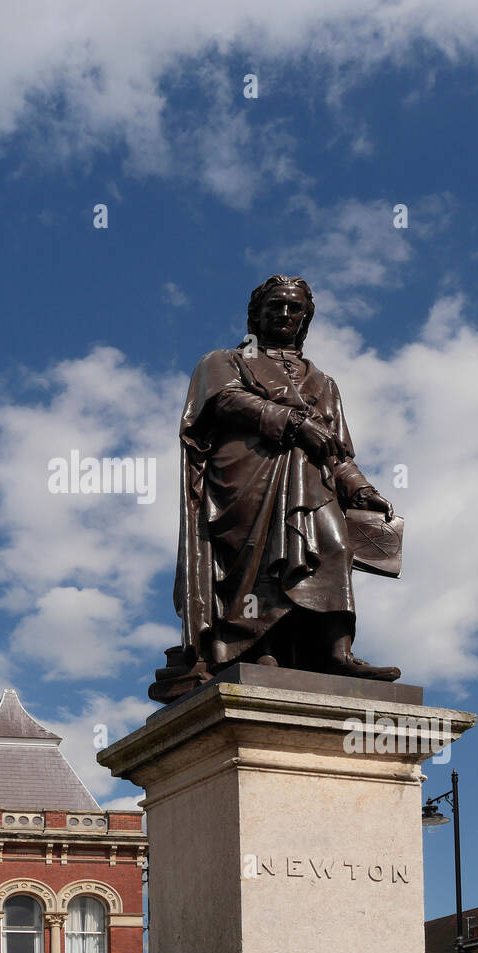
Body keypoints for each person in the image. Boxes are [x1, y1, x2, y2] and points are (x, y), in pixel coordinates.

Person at [164, 274, 400, 694]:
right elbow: (223, 400)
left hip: (310, 482)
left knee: (336, 547)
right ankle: (258, 649)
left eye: (296, 308)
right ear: (257, 314)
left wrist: (361, 489)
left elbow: (337, 451)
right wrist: (292, 421)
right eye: (277, 305)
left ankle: (336, 653)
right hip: (248, 475)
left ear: (306, 318)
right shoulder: (224, 360)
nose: (286, 314)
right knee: (261, 559)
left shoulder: (323, 382)